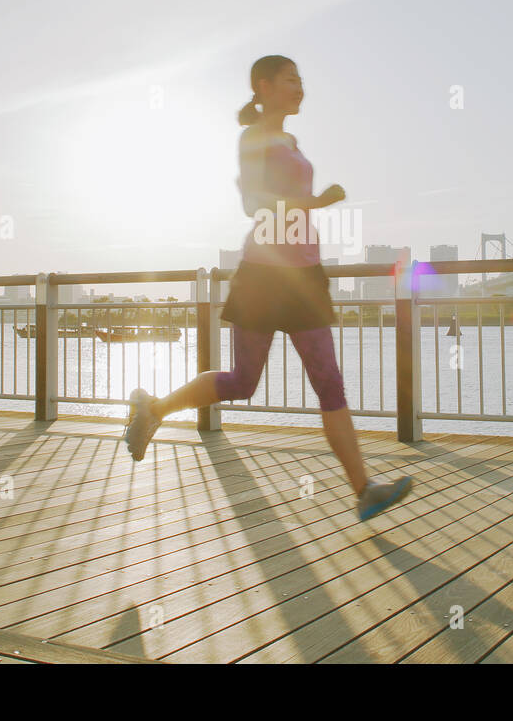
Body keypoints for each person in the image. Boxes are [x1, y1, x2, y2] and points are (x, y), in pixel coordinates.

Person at [122, 54, 413, 522]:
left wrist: (310, 211)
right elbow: (252, 203)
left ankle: (364, 490)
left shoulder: (292, 141)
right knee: (243, 382)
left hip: (304, 274)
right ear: (264, 86)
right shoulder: (253, 138)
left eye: (302, 79)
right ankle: (154, 409)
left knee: (329, 383)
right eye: (291, 80)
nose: (300, 87)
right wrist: (315, 201)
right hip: (264, 274)